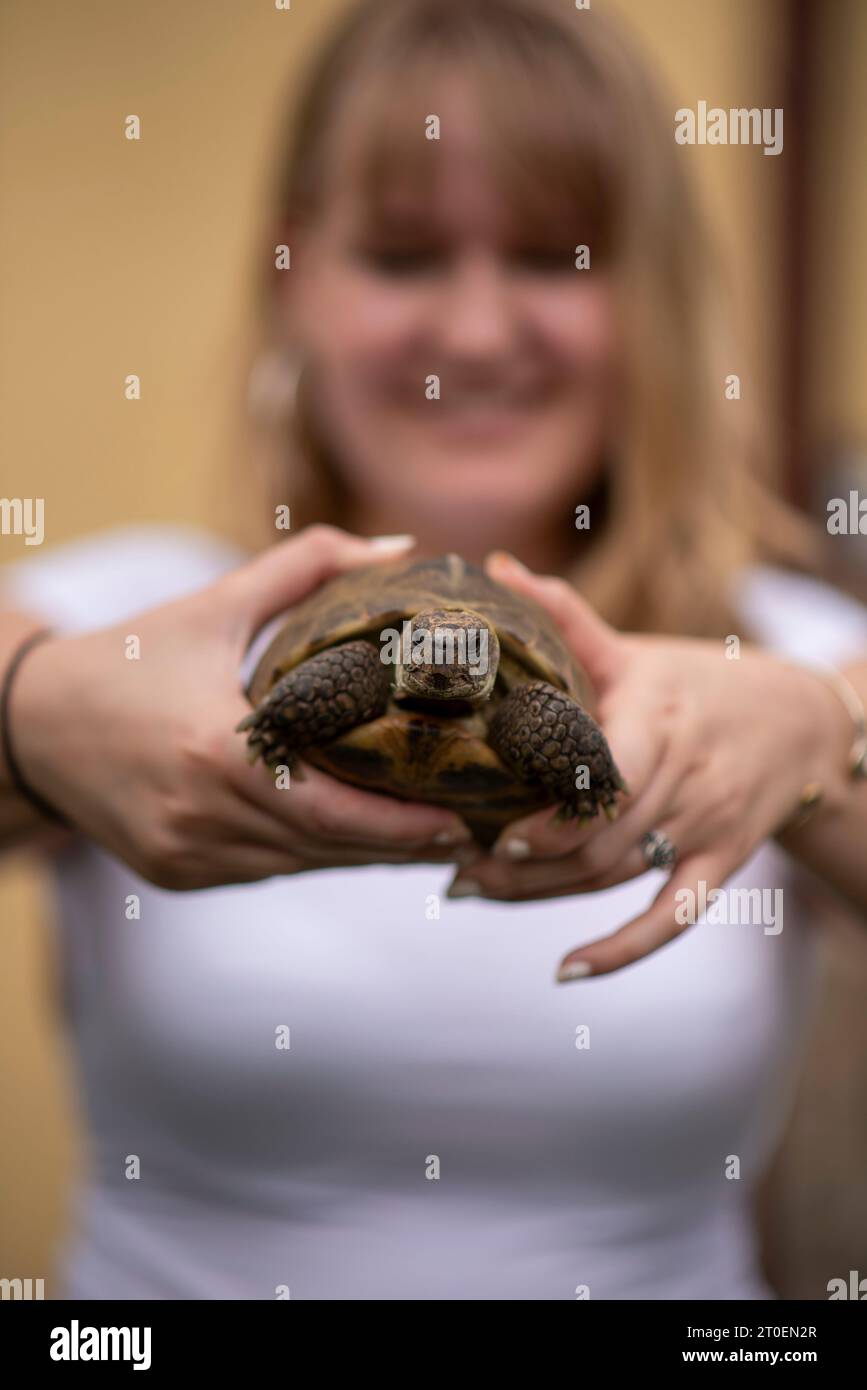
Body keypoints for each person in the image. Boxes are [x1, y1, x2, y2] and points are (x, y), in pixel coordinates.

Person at [1, 0, 865, 1301]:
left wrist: (819, 736)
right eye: (405, 257)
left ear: (648, 290)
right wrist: (30, 712)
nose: (473, 331)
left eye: (552, 256)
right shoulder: (154, 615)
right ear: (295, 273)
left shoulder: (774, 646)